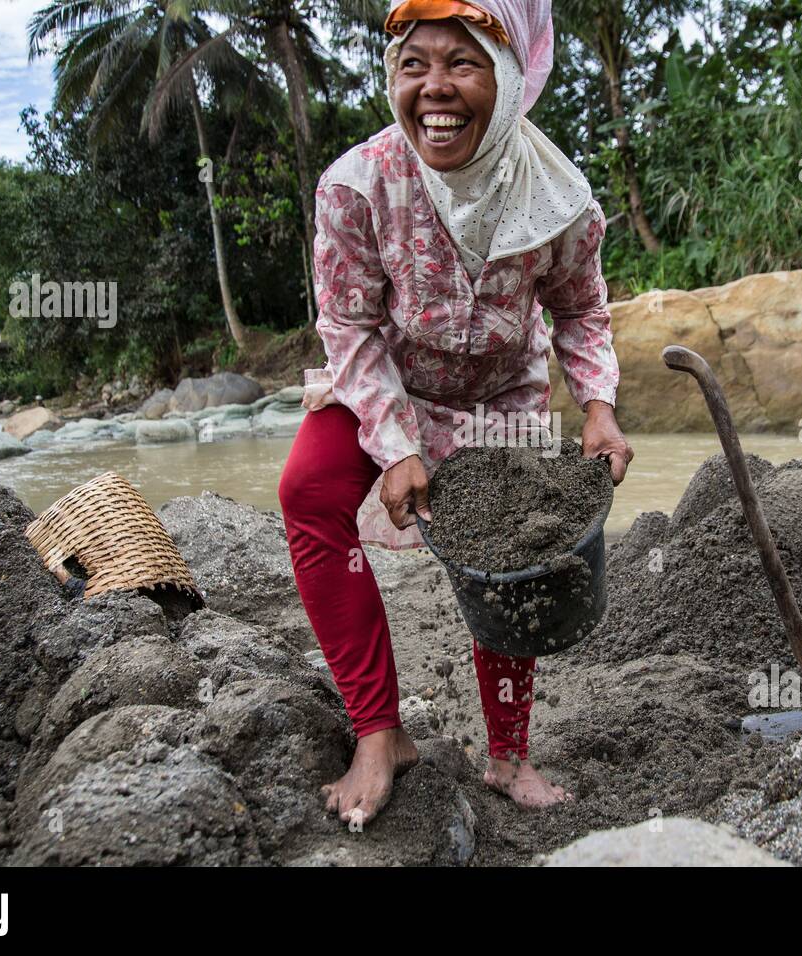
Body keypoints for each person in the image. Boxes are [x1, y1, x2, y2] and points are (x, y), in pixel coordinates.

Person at [278, 0, 633, 827]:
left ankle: (508, 756)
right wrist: (396, 444)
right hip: (385, 384)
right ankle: (378, 732)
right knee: (307, 491)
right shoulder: (355, 185)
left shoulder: (561, 197)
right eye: (414, 65)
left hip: (496, 401)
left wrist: (599, 407)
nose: (434, 90)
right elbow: (350, 327)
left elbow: (581, 311)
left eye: (462, 63)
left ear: (507, 78)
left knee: (512, 554)